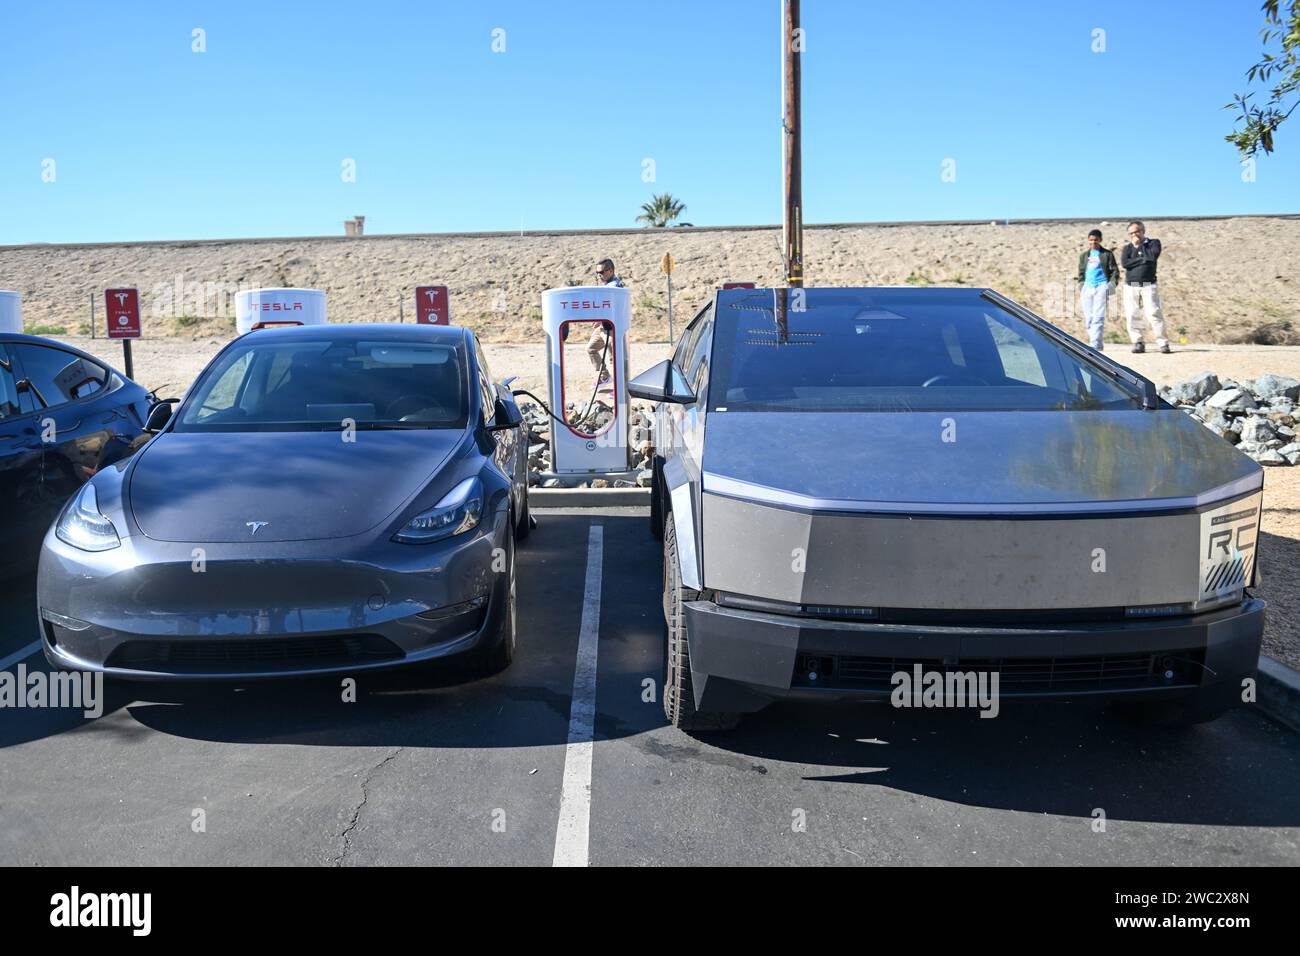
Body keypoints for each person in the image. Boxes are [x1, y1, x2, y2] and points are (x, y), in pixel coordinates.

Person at [1120, 220, 1169, 354]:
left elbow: (1152, 257)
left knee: (1153, 313)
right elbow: (1125, 263)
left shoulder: (1153, 243)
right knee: (1132, 314)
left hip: (1148, 283)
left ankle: (1162, 342)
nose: (1134, 235)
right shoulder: (1128, 248)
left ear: (1143, 231)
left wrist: (1139, 253)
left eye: (1137, 232)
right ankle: (1138, 342)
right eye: (1131, 233)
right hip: (1131, 285)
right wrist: (1140, 256)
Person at [1076, 228, 1119, 350]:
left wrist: (1111, 285)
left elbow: (1114, 271)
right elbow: (1081, 272)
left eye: (1095, 240)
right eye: (1090, 240)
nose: (1093, 242)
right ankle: (1097, 344)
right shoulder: (1084, 256)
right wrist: (1081, 284)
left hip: (1101, 286)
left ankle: (1094, 344)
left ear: (1100, 240)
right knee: (1089, 317)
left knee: (1098, 316)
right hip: (1087, 287)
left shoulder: (1107, 254)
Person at [588, 258, 624, 384]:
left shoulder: (614, 286)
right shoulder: (607, 286)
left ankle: (618, 388)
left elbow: (612, 307)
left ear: (611, 271)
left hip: (612, 329)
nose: (599, 276)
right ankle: (605, 377)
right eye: (597, 273)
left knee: (614, 359)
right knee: (591, 349)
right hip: (603, 327)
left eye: (601, 272)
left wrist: (601, 318)